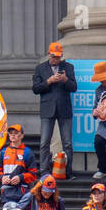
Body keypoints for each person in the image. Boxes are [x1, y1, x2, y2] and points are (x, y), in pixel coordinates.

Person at [32, 42, 76, 171]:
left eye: (58, 57)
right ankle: (44, 170)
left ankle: (68, 171)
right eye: (53, 57)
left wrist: (65, 79)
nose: (56, 59)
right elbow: (35, 89)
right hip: (47, 108)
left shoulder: (68, 67)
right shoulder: (40, 68)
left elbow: (74, 87)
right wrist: (49, 81)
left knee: (67, 143)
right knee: (44, 142)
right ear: (48, 54)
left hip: (64, 108)